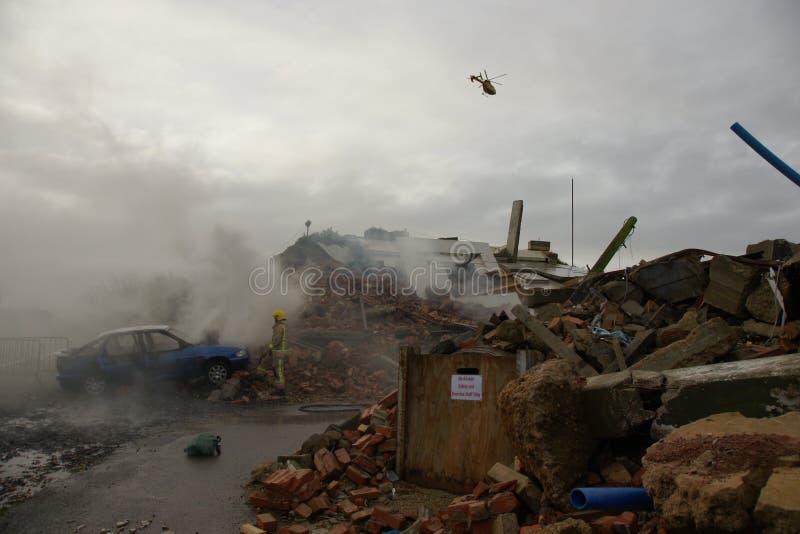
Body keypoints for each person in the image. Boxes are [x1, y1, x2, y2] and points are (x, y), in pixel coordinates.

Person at [268, 308, 288, 396]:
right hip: (278, 352)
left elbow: (276, 340)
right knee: (276, 370)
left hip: (278, 352)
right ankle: (279, 388)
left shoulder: (279, 327)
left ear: (277, 317)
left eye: (274, 317)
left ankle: (281, 390)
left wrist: (269, 347)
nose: (274, 319)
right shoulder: (281, 326)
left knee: (278, 371)